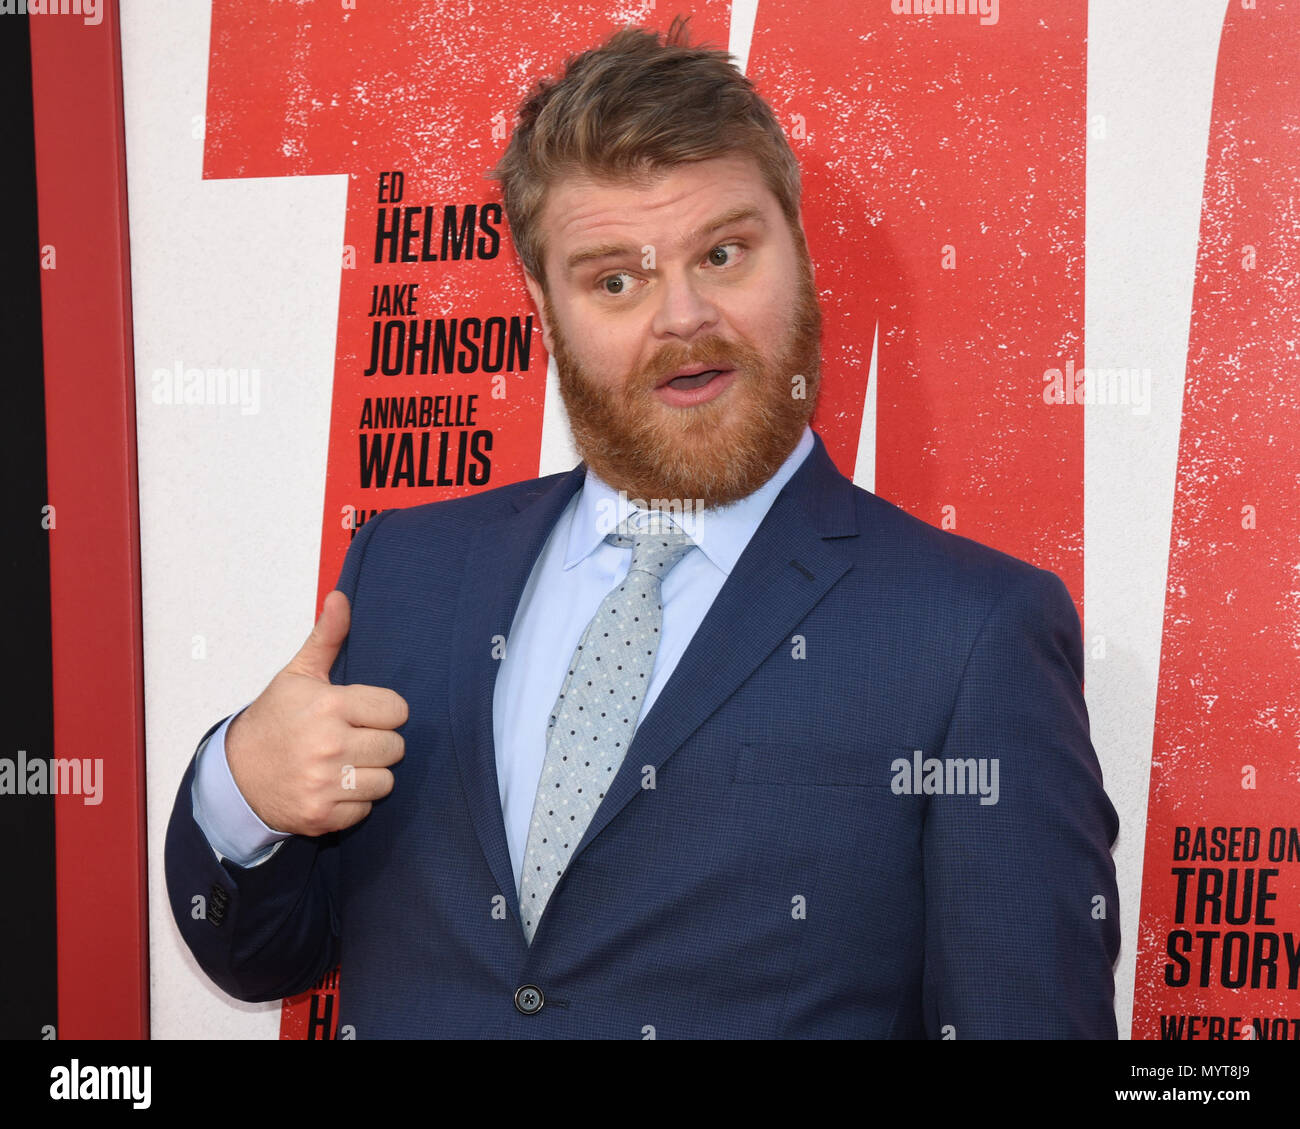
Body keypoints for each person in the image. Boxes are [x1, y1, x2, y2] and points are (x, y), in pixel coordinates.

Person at [165, 16, 1120, 1038]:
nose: (682, 316)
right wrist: (242, 788)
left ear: (797, 251)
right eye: (614, 278)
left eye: (722, 252)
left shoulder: (969, 632)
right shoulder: (406, 569)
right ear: (541, 299)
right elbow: (267, 956)